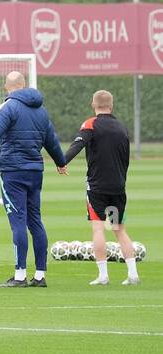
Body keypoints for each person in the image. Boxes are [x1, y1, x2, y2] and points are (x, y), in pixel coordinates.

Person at [0, 71, 66, 288]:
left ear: (6, 86)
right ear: (24, 85)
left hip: (12, 172)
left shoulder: (9, 106)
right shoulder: (41, 110)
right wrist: (60, 161)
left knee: (18, 221)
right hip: (35, 170)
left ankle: (19, 276)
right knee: (35, 220)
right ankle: (40, 275)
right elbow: (51, 140)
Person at [62, 90, 140, 286]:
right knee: (119, 229)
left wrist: (62, 162)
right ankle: (133, 274)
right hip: (118, 187)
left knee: (98, 229)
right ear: (111, 106)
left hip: (97, 187)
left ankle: (103, 276)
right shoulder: (122, 127)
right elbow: (125, 157)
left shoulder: (90, 124)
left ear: (93, 104)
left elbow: (78, 144)